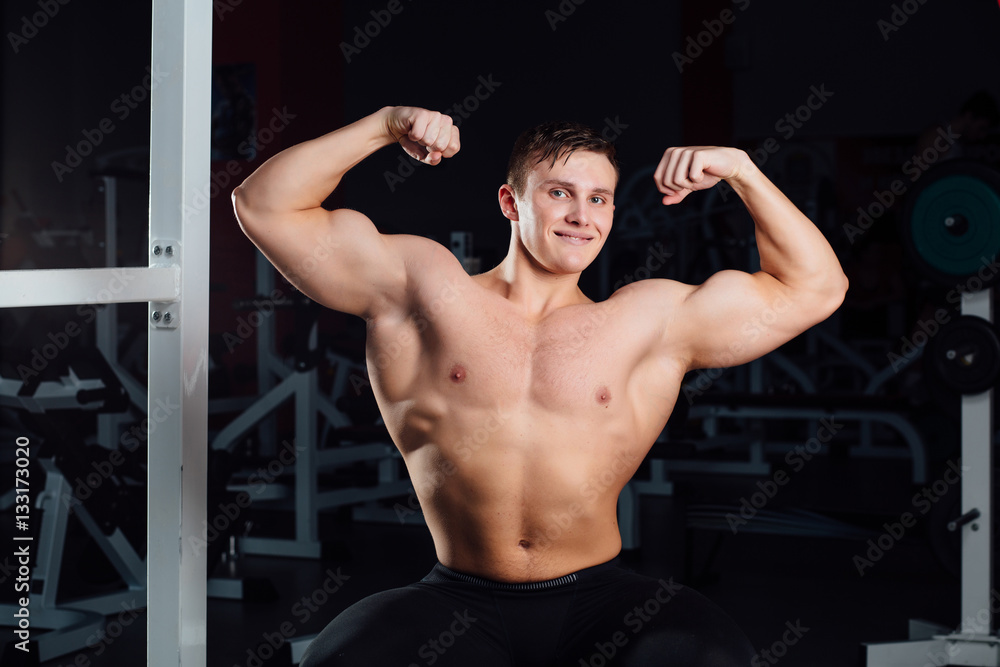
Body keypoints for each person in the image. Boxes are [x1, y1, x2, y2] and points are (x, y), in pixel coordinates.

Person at [232, 106, 848, 666]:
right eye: (560, 193)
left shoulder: (647, 321)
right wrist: (384, 125)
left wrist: (742, 172)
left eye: (600, 199)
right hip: (456, 601)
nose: (583, 216)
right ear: (511, 201)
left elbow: (816, 288)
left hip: (603, 600)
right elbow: (265, 205)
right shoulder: (426, 288)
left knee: (712, 656)